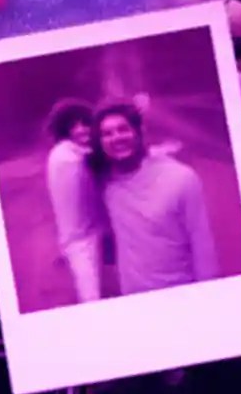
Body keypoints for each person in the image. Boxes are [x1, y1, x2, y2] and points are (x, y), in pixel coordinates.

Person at [88, 102, 220, 297]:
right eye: (107, 134)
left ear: (139, 131)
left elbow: (203, 248)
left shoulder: (180, 178)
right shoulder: (105, 182)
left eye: (123, 129)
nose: (116, 138)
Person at [43, 99, 106, 303]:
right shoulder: (67, 153)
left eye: (85, 123)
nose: (80, 130)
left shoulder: (65, 151)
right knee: (90, 293)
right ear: (64, 130)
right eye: (73, 126)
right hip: (79, 239)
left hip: (81, 230)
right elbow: (103, 159)